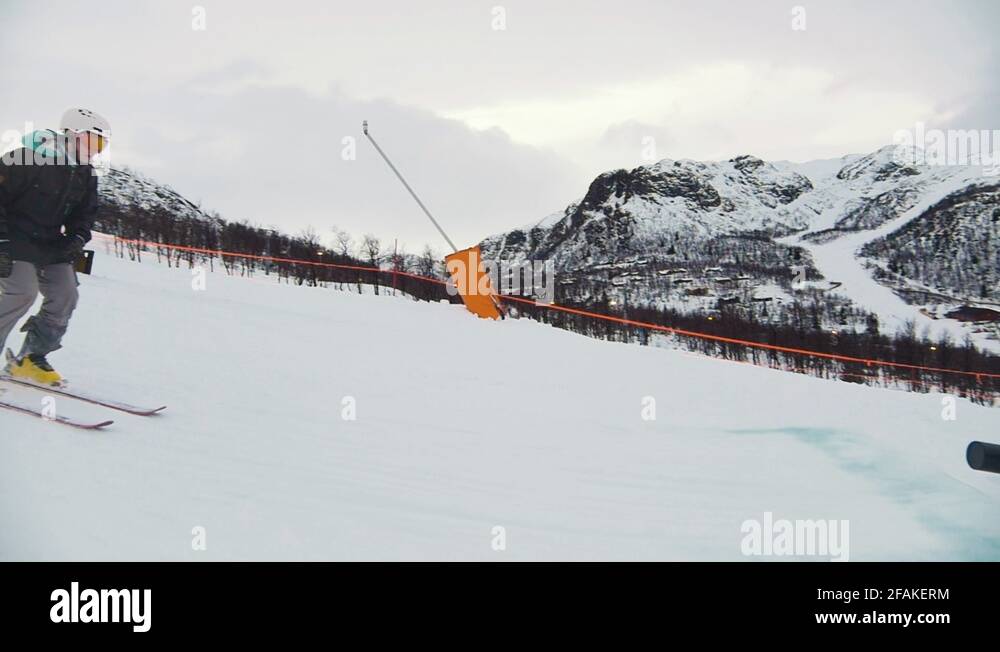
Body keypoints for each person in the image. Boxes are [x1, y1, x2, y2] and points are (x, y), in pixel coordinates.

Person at [0, 108, 109, 386]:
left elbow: (85, 214)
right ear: (72, 136)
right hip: (11, 239)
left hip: (49, 244)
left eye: (102, 144)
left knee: (65, 295)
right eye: (93, 141)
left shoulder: (85, 173)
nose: (97, 150)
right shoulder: (24, 159)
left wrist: (76, 239)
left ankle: (29, 358)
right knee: (22, 292)